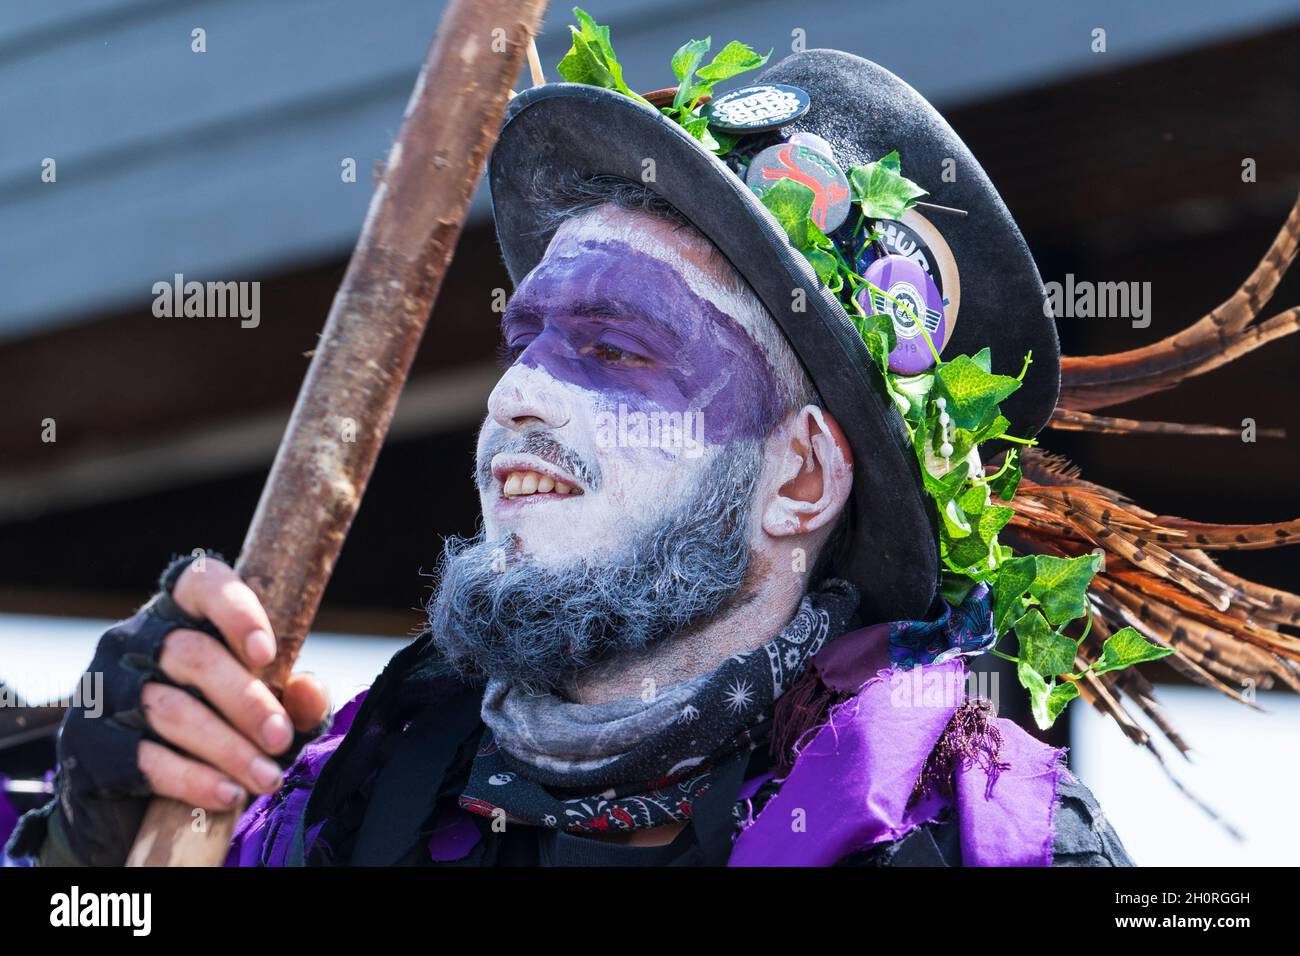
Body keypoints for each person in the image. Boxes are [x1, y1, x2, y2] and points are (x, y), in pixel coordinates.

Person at [7, 31, 1156, 868]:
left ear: (799, 476)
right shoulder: (330, 809)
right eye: (528, 335)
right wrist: (85, 844)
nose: (517, 395)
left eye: (615, 347)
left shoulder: (986, 850)